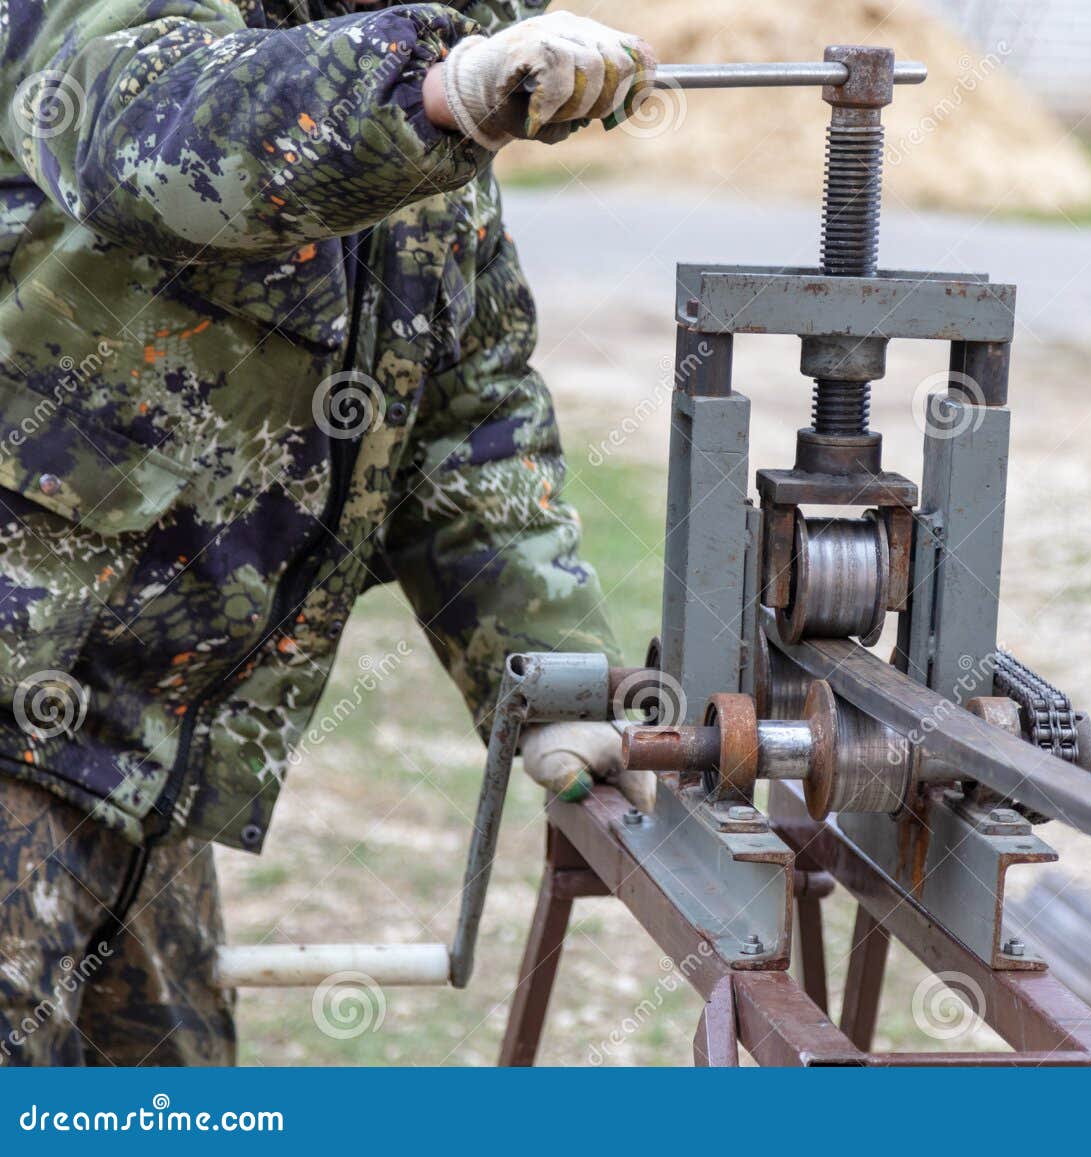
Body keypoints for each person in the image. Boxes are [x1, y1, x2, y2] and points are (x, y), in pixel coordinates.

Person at [0, 0, 654, 1066]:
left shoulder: (438, 91)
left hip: (137, 758)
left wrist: (550, 680)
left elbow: (467, 417)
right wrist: (431, 94)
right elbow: (154, 128)